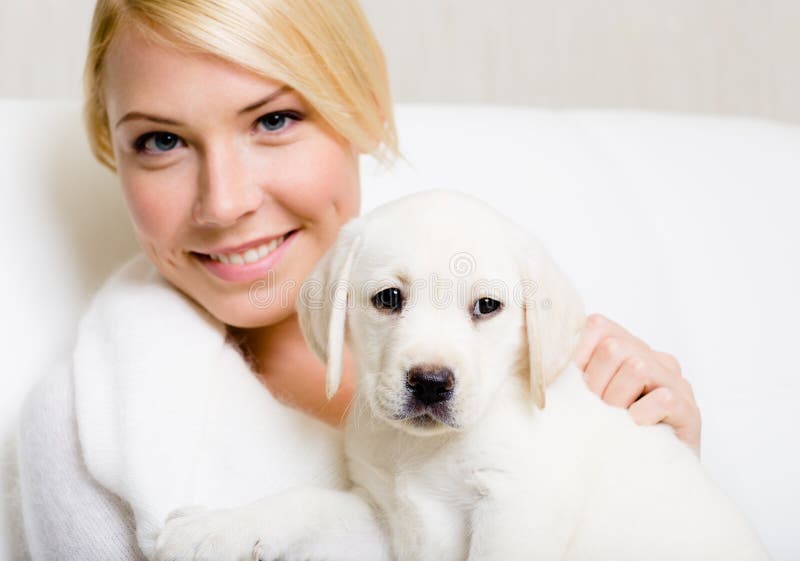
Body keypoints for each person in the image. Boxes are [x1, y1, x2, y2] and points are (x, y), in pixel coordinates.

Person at [16, 0, 701, 559]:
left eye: (274, 119)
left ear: (367, 106)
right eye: (160, 140)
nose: (224, 203)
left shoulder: (526, 338)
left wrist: (657, 474)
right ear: (112, 150)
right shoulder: (90, 426)